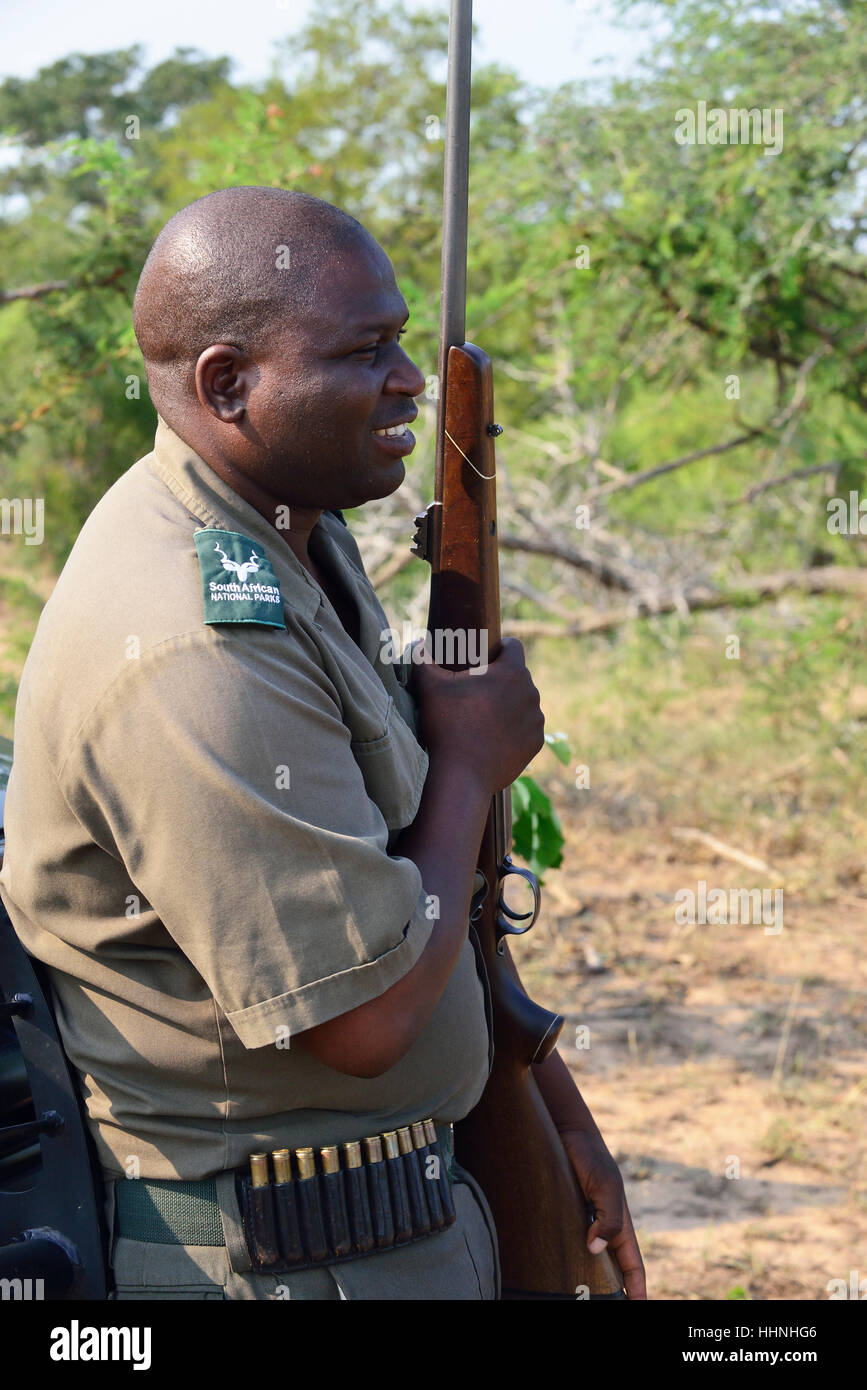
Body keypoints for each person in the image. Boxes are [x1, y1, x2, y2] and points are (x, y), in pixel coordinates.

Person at [0, 186, 645, 1300]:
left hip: (402, 1211)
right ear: (227, 383)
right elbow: (365, 1015)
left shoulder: (293, 539)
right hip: (275, 1258)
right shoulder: (192, 640)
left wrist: (549, 1106)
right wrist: (470, 768)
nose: (410, 383)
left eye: (403, 343)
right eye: (366, 352)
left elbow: (430, 890)